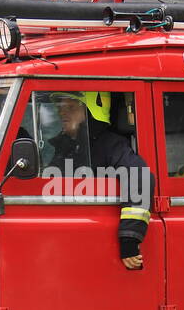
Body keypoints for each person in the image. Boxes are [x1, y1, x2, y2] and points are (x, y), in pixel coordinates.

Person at [46, 91, 153, 270]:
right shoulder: (65, 147)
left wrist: (130, 238)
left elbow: (139, 176)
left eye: (70, 107)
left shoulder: (110, 145)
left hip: (96, 238)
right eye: (60, 108)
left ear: (92, 111)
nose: (62, 113)